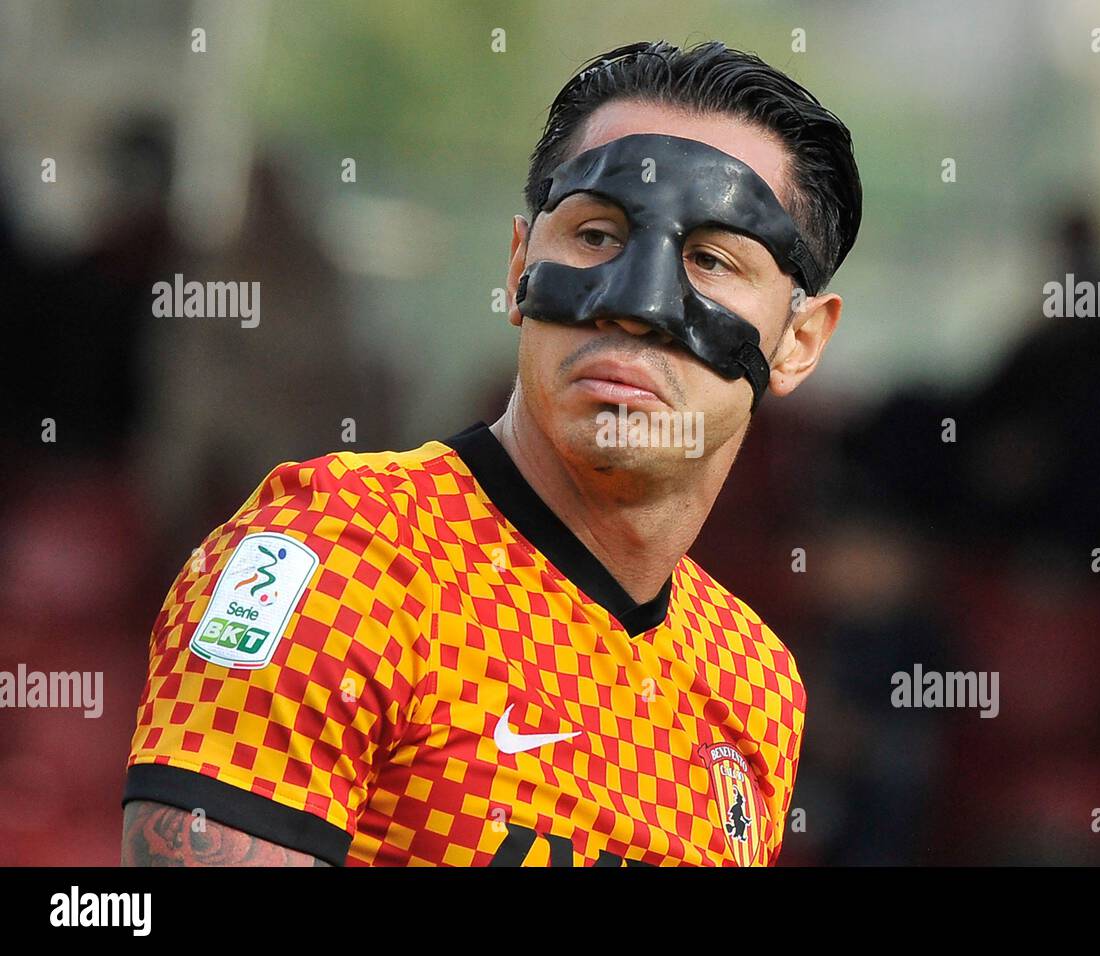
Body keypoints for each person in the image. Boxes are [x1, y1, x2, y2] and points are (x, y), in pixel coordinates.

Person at [120, 39, 862, 867]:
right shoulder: (338, 559)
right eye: (595, 236)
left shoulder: (753, 683)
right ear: (519, 266)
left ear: (799, 341)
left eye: (712, 260)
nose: (638, 305)